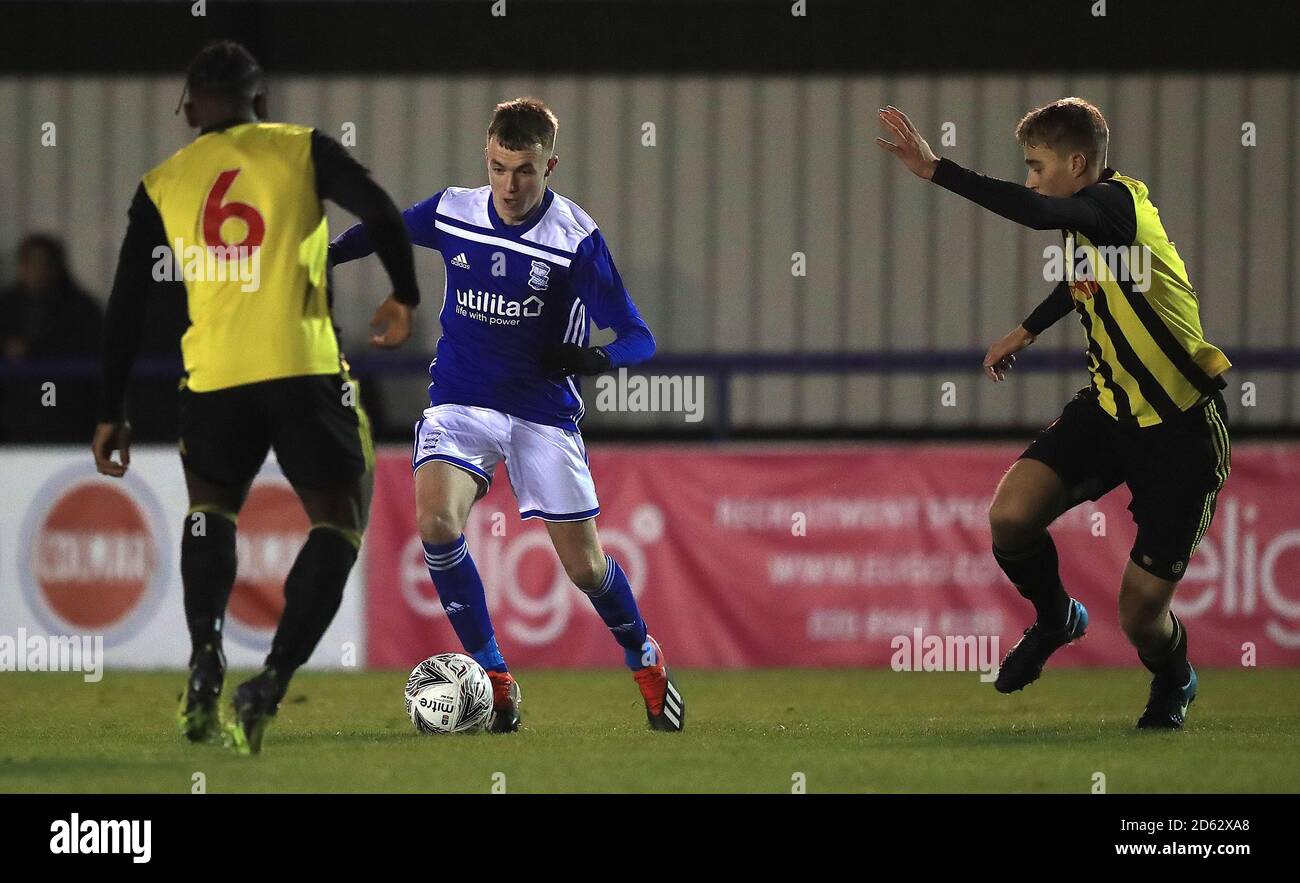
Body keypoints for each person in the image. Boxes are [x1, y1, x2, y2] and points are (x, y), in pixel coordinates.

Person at [92, 40, 421, 754]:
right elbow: (382, 210)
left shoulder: (162, 182)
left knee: (210, 512)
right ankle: (268, 681)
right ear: (261, 103)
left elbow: (125, 303)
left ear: (189, 113)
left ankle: (205, 657)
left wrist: (109, 407)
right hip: (301, 365)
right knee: (337, 520)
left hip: (213, 377)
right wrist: (404, 293)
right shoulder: (300, 148)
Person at [330, 97, 684, 732]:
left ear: (551, 164)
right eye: (498, 168)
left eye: (525, 170)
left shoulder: (575, 238)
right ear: (485, 158)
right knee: (436, 523)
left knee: (586, 568)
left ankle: (645, 659)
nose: (509, 185)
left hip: (542, 415)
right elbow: (383, 226)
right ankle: (495, 678)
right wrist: (319, 259)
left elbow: (640, 336)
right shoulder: (454, 211)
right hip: (461, 405)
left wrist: (593, 359)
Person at [877, 98, 1230, 729]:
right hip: (1108, 412)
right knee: (1010, 517)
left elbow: (1038, 212)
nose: (1033, 179)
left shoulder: (1116, 207)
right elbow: (1084, 280)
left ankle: (1174, 677)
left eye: (1038, 166)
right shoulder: (1092, 225)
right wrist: (1027, 329)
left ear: (1077, 163)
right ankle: (1056, 618)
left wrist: (939, 170)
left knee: (1141, 612)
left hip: (1177, 430)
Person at [0, 234, 104, 441]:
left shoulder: (79, 307)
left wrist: (31, 350)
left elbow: (87, 345)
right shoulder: (7, 305)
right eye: (29, 264)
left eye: (42, 264)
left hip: (66, 413)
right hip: (13, 416)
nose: (35, 272)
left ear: (55, 267)